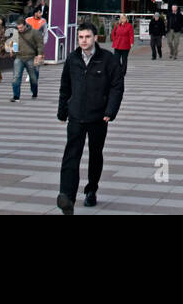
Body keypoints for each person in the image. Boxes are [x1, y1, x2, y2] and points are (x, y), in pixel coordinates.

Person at [56, 21, 124, 213]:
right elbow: (65, 87)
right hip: (76, 116)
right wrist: (62, 111)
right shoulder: (72, 59)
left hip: (98, 117)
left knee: (95, 155)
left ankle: (91, 189)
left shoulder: (108, 59)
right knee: (71, 156)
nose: (83, 41)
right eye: (80, 37)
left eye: (87, 37)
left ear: (95, 38)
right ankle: (66, 196)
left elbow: (117, 87)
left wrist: (110, 111)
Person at [10, 15, 45, 100]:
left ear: (25, 25)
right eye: (18, 28)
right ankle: (16, 96)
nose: (20, 29)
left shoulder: (34, 32)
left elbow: (40, 43)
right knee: (16, 77)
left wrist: (40, 54)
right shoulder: (16, 33)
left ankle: (34, 92)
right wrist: (12, 51)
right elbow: (14, 43)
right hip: (19, 57)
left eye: (21, 27)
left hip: (31, 57)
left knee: (33, 78)